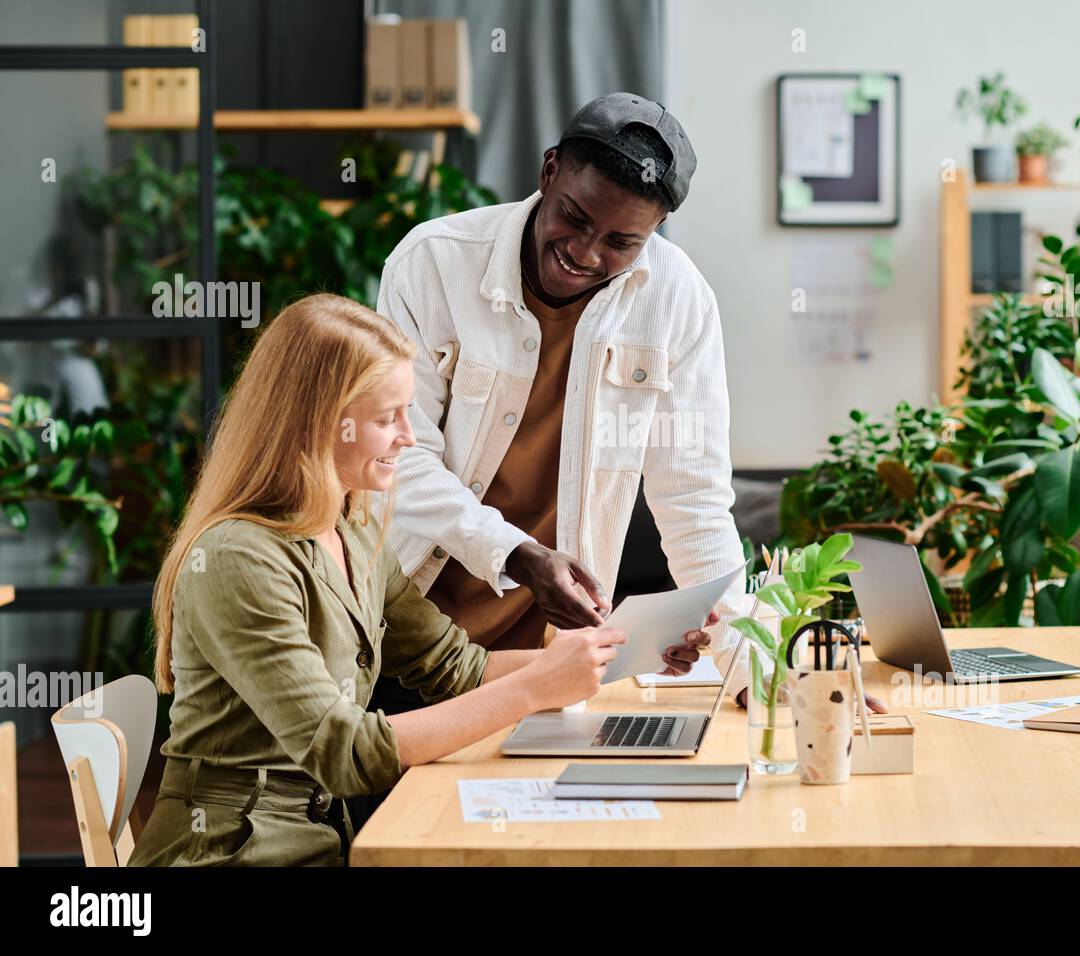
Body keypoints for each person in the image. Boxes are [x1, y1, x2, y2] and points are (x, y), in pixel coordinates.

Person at [128, 294, 694, 866]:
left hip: (318, 840)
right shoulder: (239, 559)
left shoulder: (354, 527)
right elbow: (344, 751)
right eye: (386, 418)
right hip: (230, 853)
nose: (408, 435)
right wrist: (534, 688)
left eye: (406, 411)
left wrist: (628, 648)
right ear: (320, 423)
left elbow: (455, 668)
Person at [368, 93, 746, 724]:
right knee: (401, 818)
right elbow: (399, 457)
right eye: (574, 217)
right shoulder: (433, 263)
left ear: (652, 234)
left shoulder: (680, 302)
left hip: (548, 664)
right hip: (406, 635)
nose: (587, 253)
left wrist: (758, 672)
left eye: (622, 241)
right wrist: (518, 555)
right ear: (548, 172)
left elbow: (695, 503)